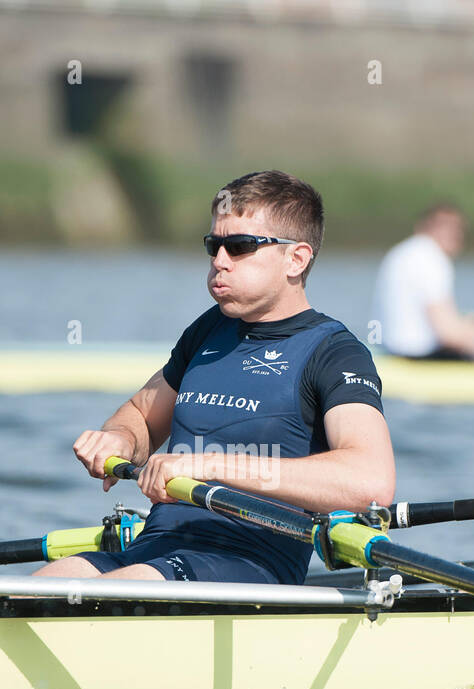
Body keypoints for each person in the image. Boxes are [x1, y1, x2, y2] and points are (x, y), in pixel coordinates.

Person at [37, 169, 395, 586]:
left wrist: (206, 465)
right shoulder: (209, 331)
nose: (219, 261)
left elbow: (370, 480)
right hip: (154, 547)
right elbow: (140, 414)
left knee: (115, 588)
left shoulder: (335, 353)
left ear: (296, 259)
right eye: (214, 245)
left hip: (247, 564)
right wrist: (121, 438)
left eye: (240, 246)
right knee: (30, 589)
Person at [369, 202, 474, 360]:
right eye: (447, 228)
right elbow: (448, 334)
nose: (455, 235)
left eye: (458, 229)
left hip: (389, 351)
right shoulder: (431, 256)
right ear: (424, 227)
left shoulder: (403, 251)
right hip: (416, 357)